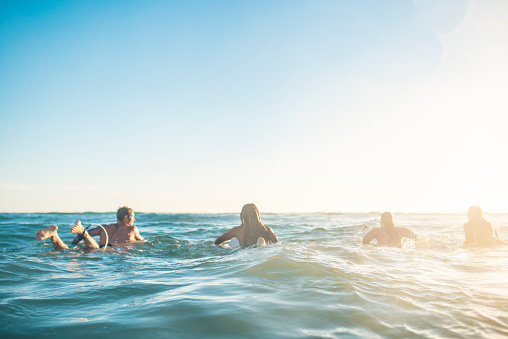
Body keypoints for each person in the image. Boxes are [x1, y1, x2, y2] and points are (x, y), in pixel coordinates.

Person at [36, 206, 144, 250]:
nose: (134, 220)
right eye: (133, 217)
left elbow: (76, 241)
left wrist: (77, 240)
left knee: (66, 251)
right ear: (126, 218)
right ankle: (82, 231)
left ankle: (54, 236)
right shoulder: (132, 229)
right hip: (108, 252)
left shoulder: (104, 228)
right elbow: (142, 240)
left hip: (96, 246)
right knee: (94, 249)